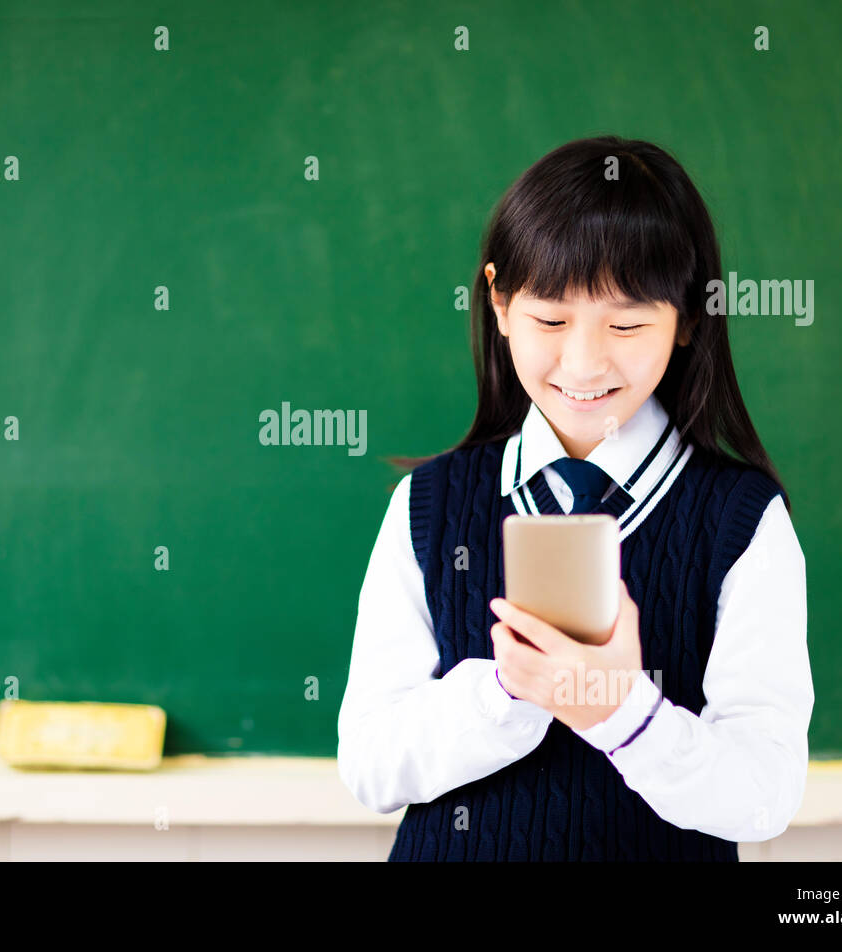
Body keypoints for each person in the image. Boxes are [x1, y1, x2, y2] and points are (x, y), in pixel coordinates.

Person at [337, 136, 814, 861]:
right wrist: (509, 689)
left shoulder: (741, 523)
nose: (585, 363)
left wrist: (620, 711)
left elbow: (764, 794)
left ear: (687, 317)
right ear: (499, 302)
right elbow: (370, 766)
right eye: (551, 321)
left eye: (625, 325)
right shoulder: (429, 505)